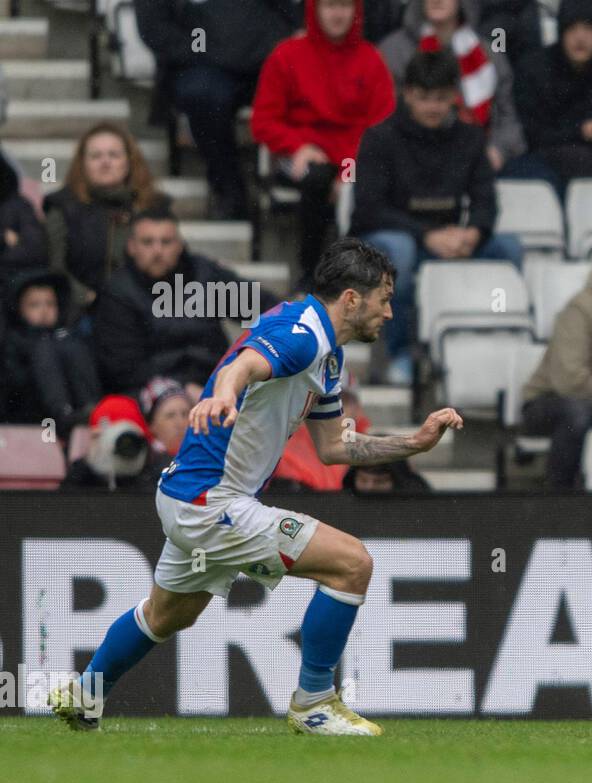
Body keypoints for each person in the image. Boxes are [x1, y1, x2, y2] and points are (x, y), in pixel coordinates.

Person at [49, 239, 465, 735]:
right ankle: (314, 703)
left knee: (167, 614)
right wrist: (222, 393)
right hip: (211, 502)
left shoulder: (327, 356)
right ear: (352, 298)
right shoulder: (302, 335)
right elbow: (242, 364)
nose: (391, 312)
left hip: (190, 499)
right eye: (385, 298)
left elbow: (335, 448)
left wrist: (414, 443)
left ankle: (86, 692)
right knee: (353, 564)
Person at [353, 51, 521, 385]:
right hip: (391, 239)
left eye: (441, 98)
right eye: (424, 98)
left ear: (454, 97)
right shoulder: (380, 138)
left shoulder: (471, 138)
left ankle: (498, 350)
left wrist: (474, 233)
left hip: (449, 239)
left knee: (510, 249)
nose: (432, 107)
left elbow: (486, 201)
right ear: (408, 94)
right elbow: (368, 208)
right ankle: (399, 354)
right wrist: (426, 234)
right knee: (397, 253)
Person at [251, 0, 396, 282]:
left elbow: (381, 129)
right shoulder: (286, 54)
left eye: (344, 6)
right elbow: (263, 121)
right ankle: (310, 275)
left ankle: (360, 279)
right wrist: (297, 146)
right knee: (315, 177)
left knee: (363, 185)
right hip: (301, 156)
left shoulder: (371, 59)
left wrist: (348, 171)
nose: (337, 14)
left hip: (356, 159)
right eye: (330, 5)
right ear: (314, 9)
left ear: (356, 11)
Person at [137, 0, 298, 220]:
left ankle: (303, 177)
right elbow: (155, 29)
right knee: (202, 95)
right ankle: (229, 188)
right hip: (200, 64)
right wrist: (206, 51)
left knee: (306, 81)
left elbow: (292, 12)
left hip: (266, 61)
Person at [93, 207, 245, 396]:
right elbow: (122, 370)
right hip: (151, 392)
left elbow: (262, 309)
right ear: (131, 247)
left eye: (166, 242)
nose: (157, 251)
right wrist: (181, 387)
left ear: (180, 245)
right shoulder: (118, 292)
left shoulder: (205, 274)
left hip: (218, 379)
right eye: (148, 242)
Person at [521, 245, 592, 491]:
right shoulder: (581, 310)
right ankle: (559, 499)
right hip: (547, 401)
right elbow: (570, 380)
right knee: (576, 413)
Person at [511, 0, 592, 195]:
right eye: (572, 29)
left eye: (588, 29)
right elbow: (535, 133)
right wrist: (585, 131)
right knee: (581, 159)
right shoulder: (535, 68)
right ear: (560, 32)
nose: (580, 38)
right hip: (553, 150)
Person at [377, 0, 527, 173]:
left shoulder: (488, 54)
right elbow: (385, 119)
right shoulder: (393, 51)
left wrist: (497, 151)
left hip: (481, 159)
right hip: (412, 161)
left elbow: (508, 119)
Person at [43, 122, 169, 318]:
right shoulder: (62, 206)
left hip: (147, 313)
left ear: (129, 161)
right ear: (82, 164)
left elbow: (171, 262)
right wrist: (90, 298)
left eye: (114, 155)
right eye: (96, 156)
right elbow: (55, 267)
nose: (105, 162)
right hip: (84, 315)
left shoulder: (154, 206)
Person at [0, 269, 100, 435]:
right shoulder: (14, 340)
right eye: (34, 305)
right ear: (19, 310)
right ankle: (64, 414)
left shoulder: (67, 337)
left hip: (74, 411)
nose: (44, 310)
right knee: (44, 348)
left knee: (73, 347)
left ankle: (92, 410)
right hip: (30, 414)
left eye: (50, 303)